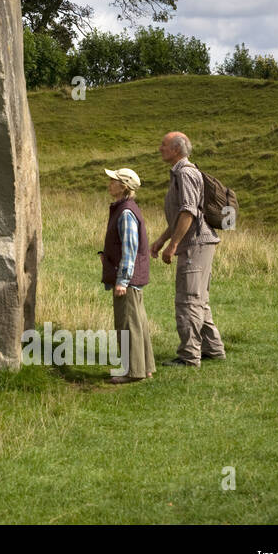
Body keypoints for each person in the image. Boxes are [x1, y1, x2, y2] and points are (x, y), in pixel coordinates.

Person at [150, 131, 227, 367]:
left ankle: (189, 356)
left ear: (175, 149)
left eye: (163, 145)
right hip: (198, 244)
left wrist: (172, 245)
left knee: (188, 300)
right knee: (198, 299)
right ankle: (213, 349)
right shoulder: (180, 173)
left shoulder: (185, 173)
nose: (160, 148)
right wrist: (162, 239)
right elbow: (179, 216)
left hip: (195, 245)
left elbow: (188, 212)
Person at [100, 168, 155, 383]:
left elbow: (130, 249)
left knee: (127, 324)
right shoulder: (125, 209)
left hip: (127, 280)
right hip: (132, 279)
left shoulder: (125, 212)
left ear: (124, 186)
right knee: (138, 322)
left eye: (113, 181)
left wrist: (122, 280)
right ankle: (145, 367)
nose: (109, 183)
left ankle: (132, 372)